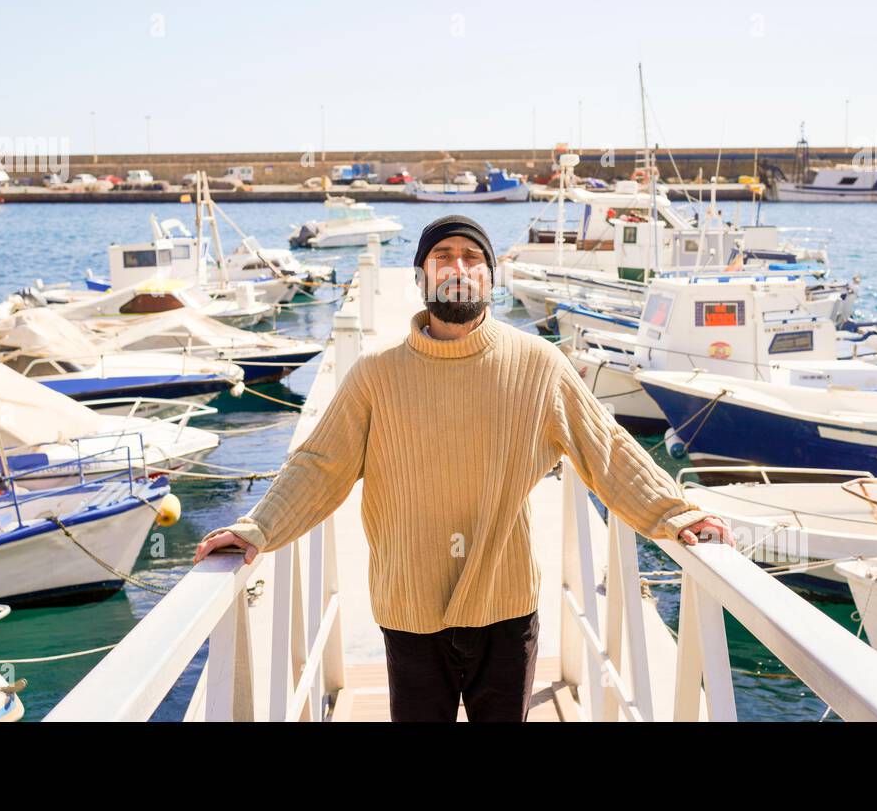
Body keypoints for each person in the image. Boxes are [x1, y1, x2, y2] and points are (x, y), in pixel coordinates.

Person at [195, 213, 734, 721]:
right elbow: (319, 465)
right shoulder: (375, 374)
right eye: (444, 256)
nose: (459, 267)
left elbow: (606, 449)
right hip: (409, 605)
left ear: (490, 277)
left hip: (506, 602)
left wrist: (676, 515)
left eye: (473, 257)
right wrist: (257, 529)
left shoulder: (537, 364)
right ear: (421, 276)